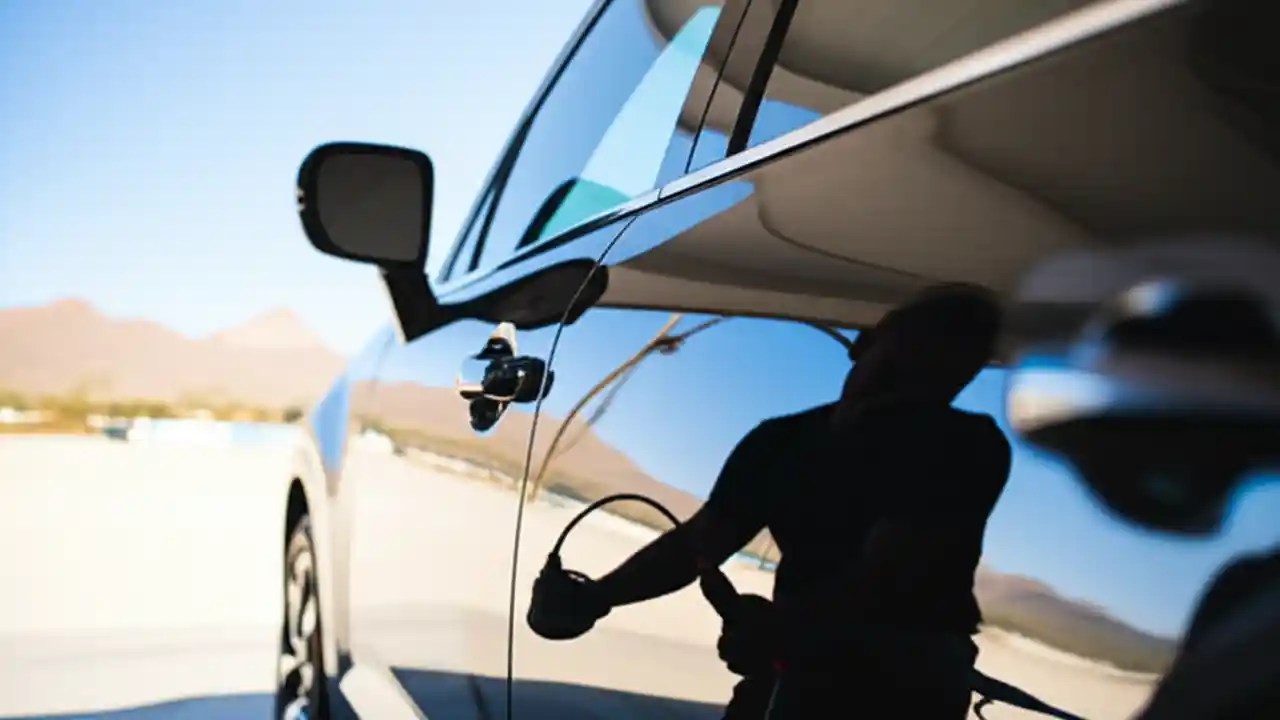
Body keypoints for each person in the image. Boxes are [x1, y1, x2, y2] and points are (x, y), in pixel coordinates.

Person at [550, 284, 1012, 718]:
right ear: (866, 340)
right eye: (923, 344)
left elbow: (896, 565)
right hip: (794, 668)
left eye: (958, 361)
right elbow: (701, 542)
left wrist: (782, 630)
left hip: (904, 685)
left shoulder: (969, 444)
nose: (932, 365)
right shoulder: (779, 441)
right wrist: (598, 596)